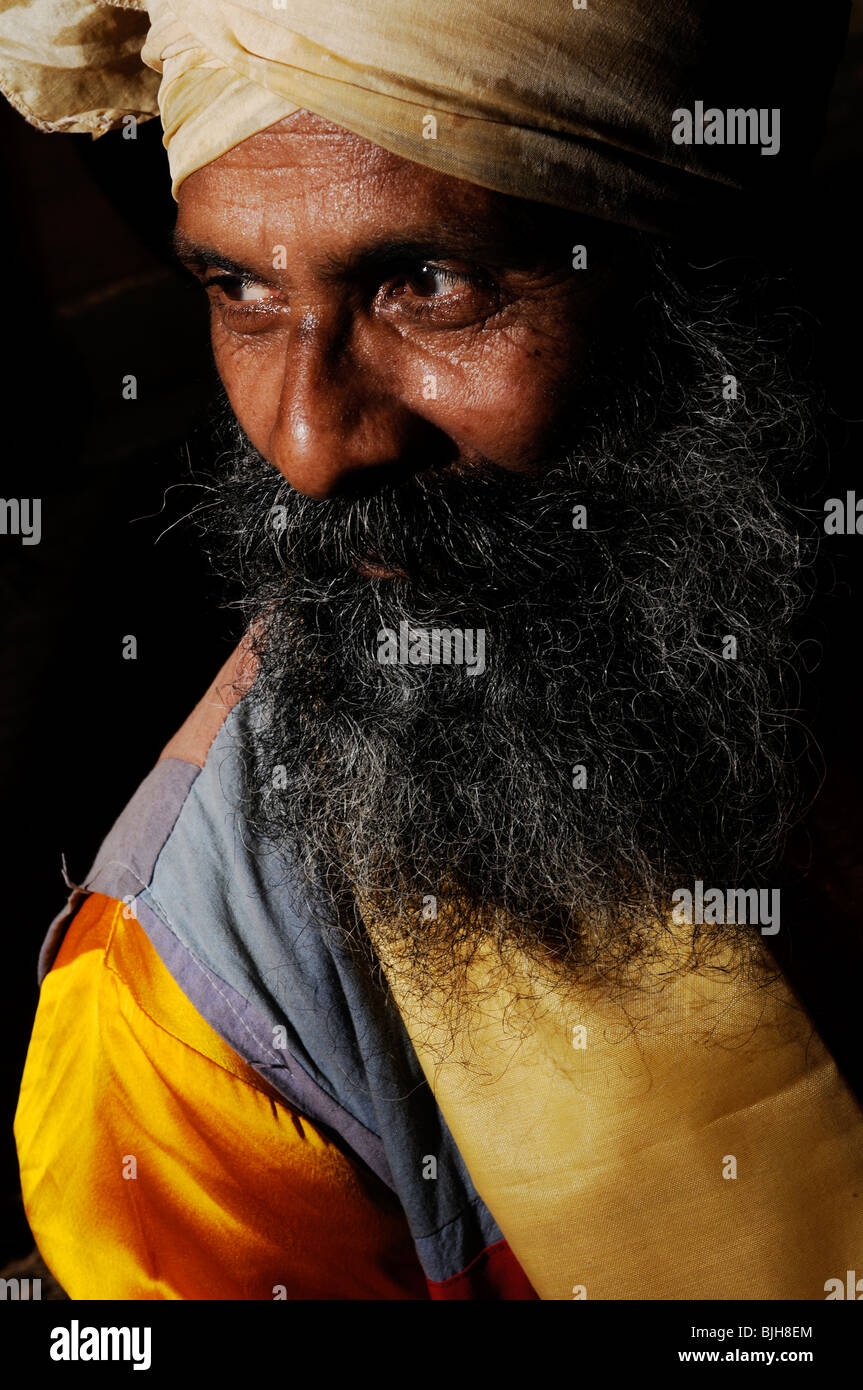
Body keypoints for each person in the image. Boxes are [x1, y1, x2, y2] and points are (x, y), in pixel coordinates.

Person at [3, 0, 860, 1300]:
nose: (302, 441)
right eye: (238, 287)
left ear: (688, 277)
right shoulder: (188, 1022)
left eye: (427, 282)